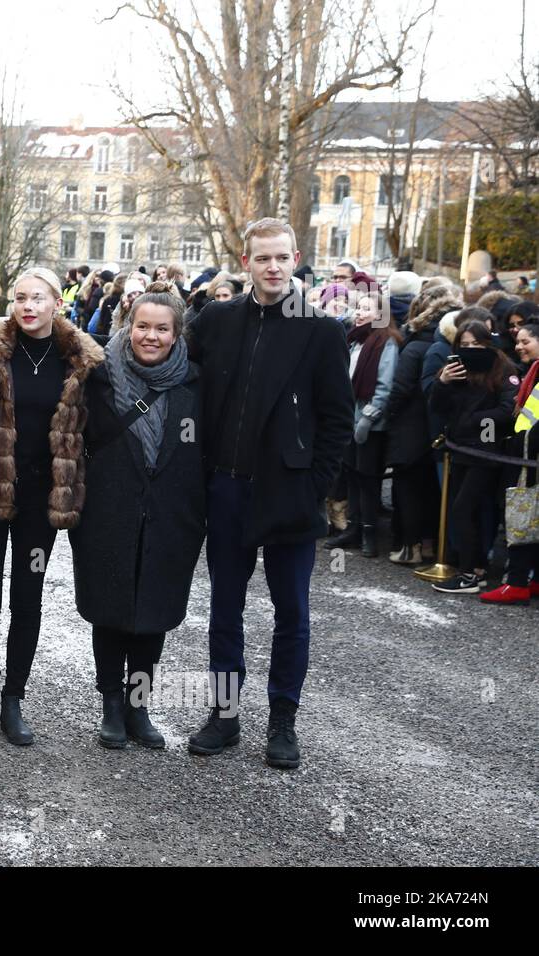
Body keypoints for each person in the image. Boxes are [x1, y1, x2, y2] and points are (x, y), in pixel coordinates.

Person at [185, 217, 353, 770]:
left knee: (292, 612)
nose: (273, 267)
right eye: (263, 258)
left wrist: (314, 489)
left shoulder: (322, 330)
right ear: (245, 260)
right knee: (225, 609)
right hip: (227, 488)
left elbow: (336, 422)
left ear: (297, 257)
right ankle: (225, 715)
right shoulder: (217, 319)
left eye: (282, 258)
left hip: (290, 493)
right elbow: (185, 387)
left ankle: (283, 718)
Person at [0, 267, 104, 745]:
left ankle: (14, 696)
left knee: (27, 597)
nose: (28, 306)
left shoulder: (81, 359)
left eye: (38, 297)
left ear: (58, 301)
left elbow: (103, 425)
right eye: (20, 298)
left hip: (42, 498)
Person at [73, 290, 204, 749]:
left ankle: (138, 706)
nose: (151, 336)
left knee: (154, 613)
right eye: (143, 326)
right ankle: (111, 704)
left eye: (162, 328)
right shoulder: (98, 376)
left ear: (176, 333)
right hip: (107, 510)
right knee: (109, 610)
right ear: (128, 326)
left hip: (172, 515)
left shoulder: (194, 383)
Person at [429, 320, 519, 594]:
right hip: (459, 449)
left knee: (464, 509)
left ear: (488, 343)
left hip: (487, 451)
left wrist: (473, 421)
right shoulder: (455, 367)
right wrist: (442, 382)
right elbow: (438, 406)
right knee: (465, 510)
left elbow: (508, 410)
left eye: (476, 344)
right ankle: (475, 568)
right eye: (464, 345)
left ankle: (470, 573)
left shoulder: (503, 368)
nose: (470, 349)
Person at [384, 292, 461, 565]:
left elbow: (401, 388)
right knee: (431, 491)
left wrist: (388, 414)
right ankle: (429, 546)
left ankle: (411, 547)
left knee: (408, 491)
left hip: (410, 428)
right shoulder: (454, 347)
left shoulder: (416, 345)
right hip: (439, 432)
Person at [324, 291, 402, 558]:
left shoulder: (386, 343)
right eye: (358, 307)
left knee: (368, 480)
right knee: (352, 476)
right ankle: (354, 527)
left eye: (366, 308)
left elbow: (385, 387)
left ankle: (369, 532)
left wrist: (367, 419)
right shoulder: (356, 341)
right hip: (349, 420)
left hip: (370, 425)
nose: (358, 312)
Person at [481, 322, 539, 604]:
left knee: (522, 517)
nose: (518, 346)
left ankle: (516, 582)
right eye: (517, 341)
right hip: (525, 456)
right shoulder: (533, 371)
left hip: (531, 460)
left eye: (525, 341)